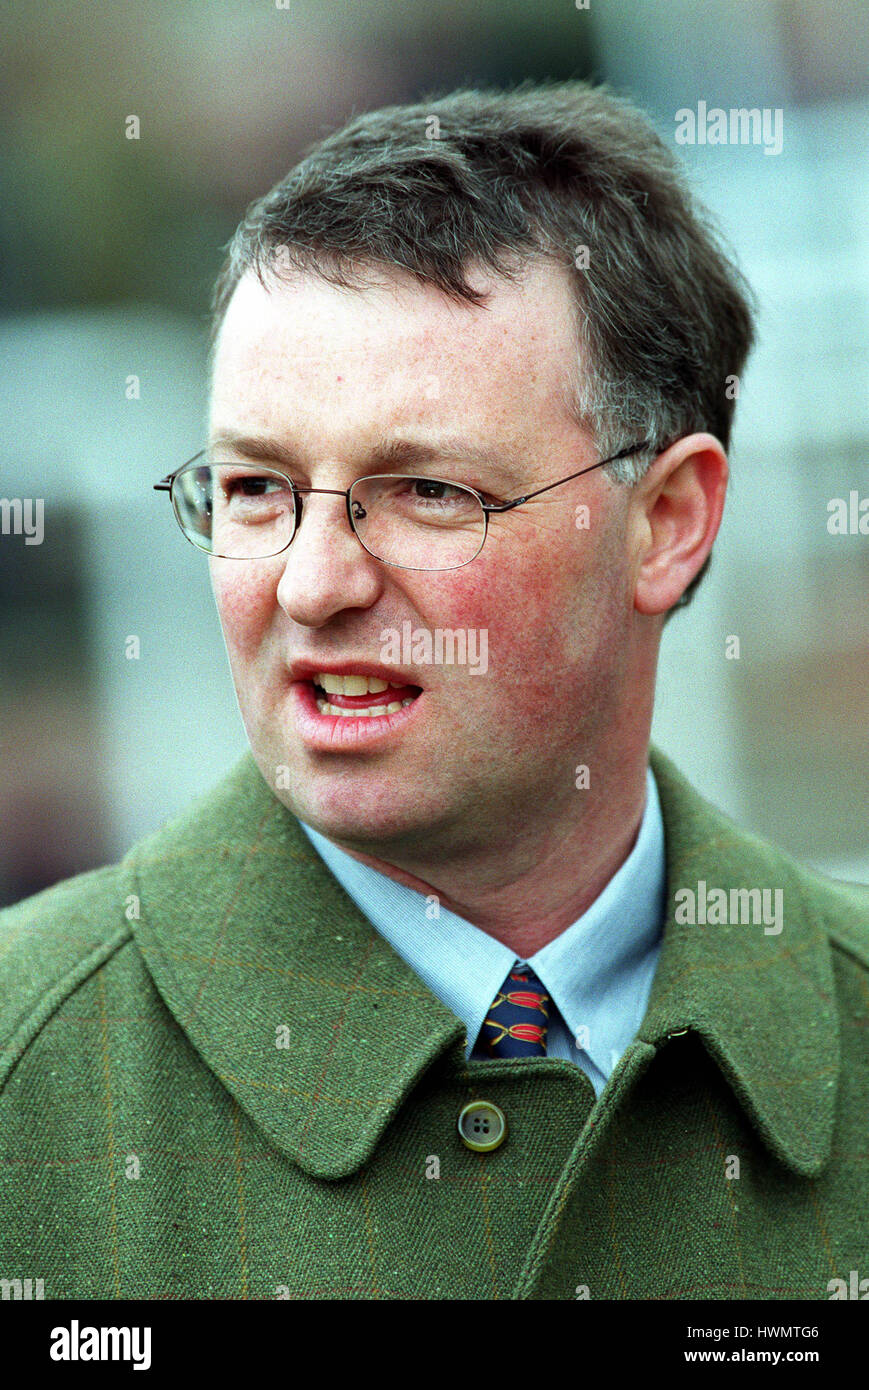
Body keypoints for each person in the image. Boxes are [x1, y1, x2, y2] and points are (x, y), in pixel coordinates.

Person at [1, 81, 866, 1302]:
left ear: (664, 521)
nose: (310, 583)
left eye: (428, 493)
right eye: (253, 488)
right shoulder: (23, 1081)